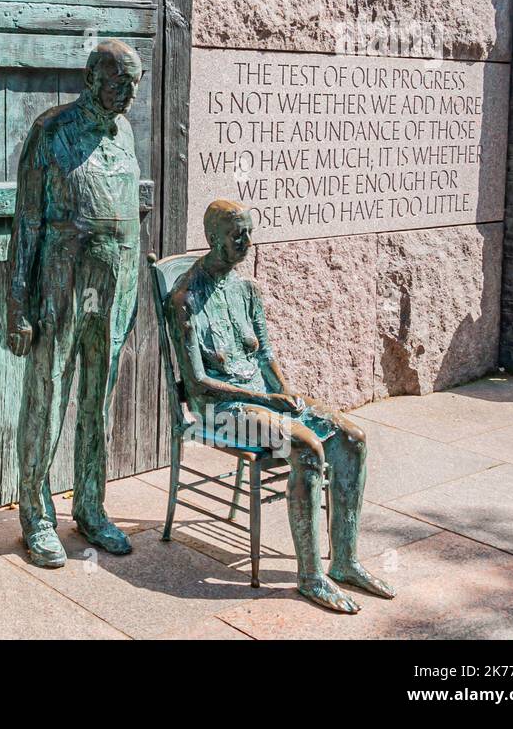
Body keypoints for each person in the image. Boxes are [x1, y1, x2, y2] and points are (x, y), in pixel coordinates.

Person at [165, 200, 397, 612]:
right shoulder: (185, 299)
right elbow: (199, 383)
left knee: (352, 437)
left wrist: (287, 395)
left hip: (262, 399)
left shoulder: (246, 288)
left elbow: (265, 354)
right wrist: (267, 400)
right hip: (219, 410)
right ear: (212, 238)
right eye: (238, 235)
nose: (247, 242)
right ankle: (311, 577)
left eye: (250, 232)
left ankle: (345, 561)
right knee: (307, 448)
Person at [7, 39, 144, 568]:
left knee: (97, 403)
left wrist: (128, 292)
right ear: (91, 78)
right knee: (47, 396)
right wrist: (18, 302)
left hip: (114, 286)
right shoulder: (52, 131)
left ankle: (90, 506)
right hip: (62, 284)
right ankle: (36, 515)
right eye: (118, 82)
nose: (128, 93)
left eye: (133, 83)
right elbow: (26, 223)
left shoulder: (126, 132)